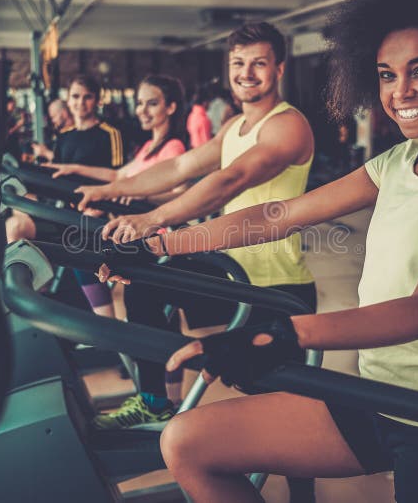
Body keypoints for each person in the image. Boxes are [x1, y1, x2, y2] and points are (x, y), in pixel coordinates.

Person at [102, 0, 418, 502]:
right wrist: (159, 244)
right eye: (386, 75)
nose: (401, 92)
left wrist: (287, 334)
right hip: (373, 395)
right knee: (188, 441)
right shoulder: (396, 161)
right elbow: (277, 215)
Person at [78, 22, 316, 438]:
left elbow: (232, 179)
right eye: (238, 63)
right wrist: (108, 189)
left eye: (258, 63)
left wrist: (154, 220)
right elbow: (177, 168)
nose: (246, 72)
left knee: (282, 412)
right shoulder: (233, 128)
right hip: (233, 274)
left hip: (275, 288)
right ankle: (156, 401)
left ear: (279, 68)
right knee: (144, 282)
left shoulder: (287, 125)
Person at [5, 76, 123, 317]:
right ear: (68, 100)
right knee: (16, 225)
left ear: (97, 100)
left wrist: (99, 207)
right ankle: (31, 302)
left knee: (80, 249)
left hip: (96, 216)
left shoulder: (109, 133)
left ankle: (106, 323)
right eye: (76, 97)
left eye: (87, 97)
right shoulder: (65, 136)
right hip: (65, 214)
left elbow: (120, 178)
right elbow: (55, 177)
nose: (81, 103)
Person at [46, 75, 187, 185]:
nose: (141, 111)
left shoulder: (173, 147)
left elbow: (178, 194)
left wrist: (137, 195)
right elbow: (117, 176)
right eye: (140, 103)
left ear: (170, 108)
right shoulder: (148, 147)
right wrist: (74, 169)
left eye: (152, 104)